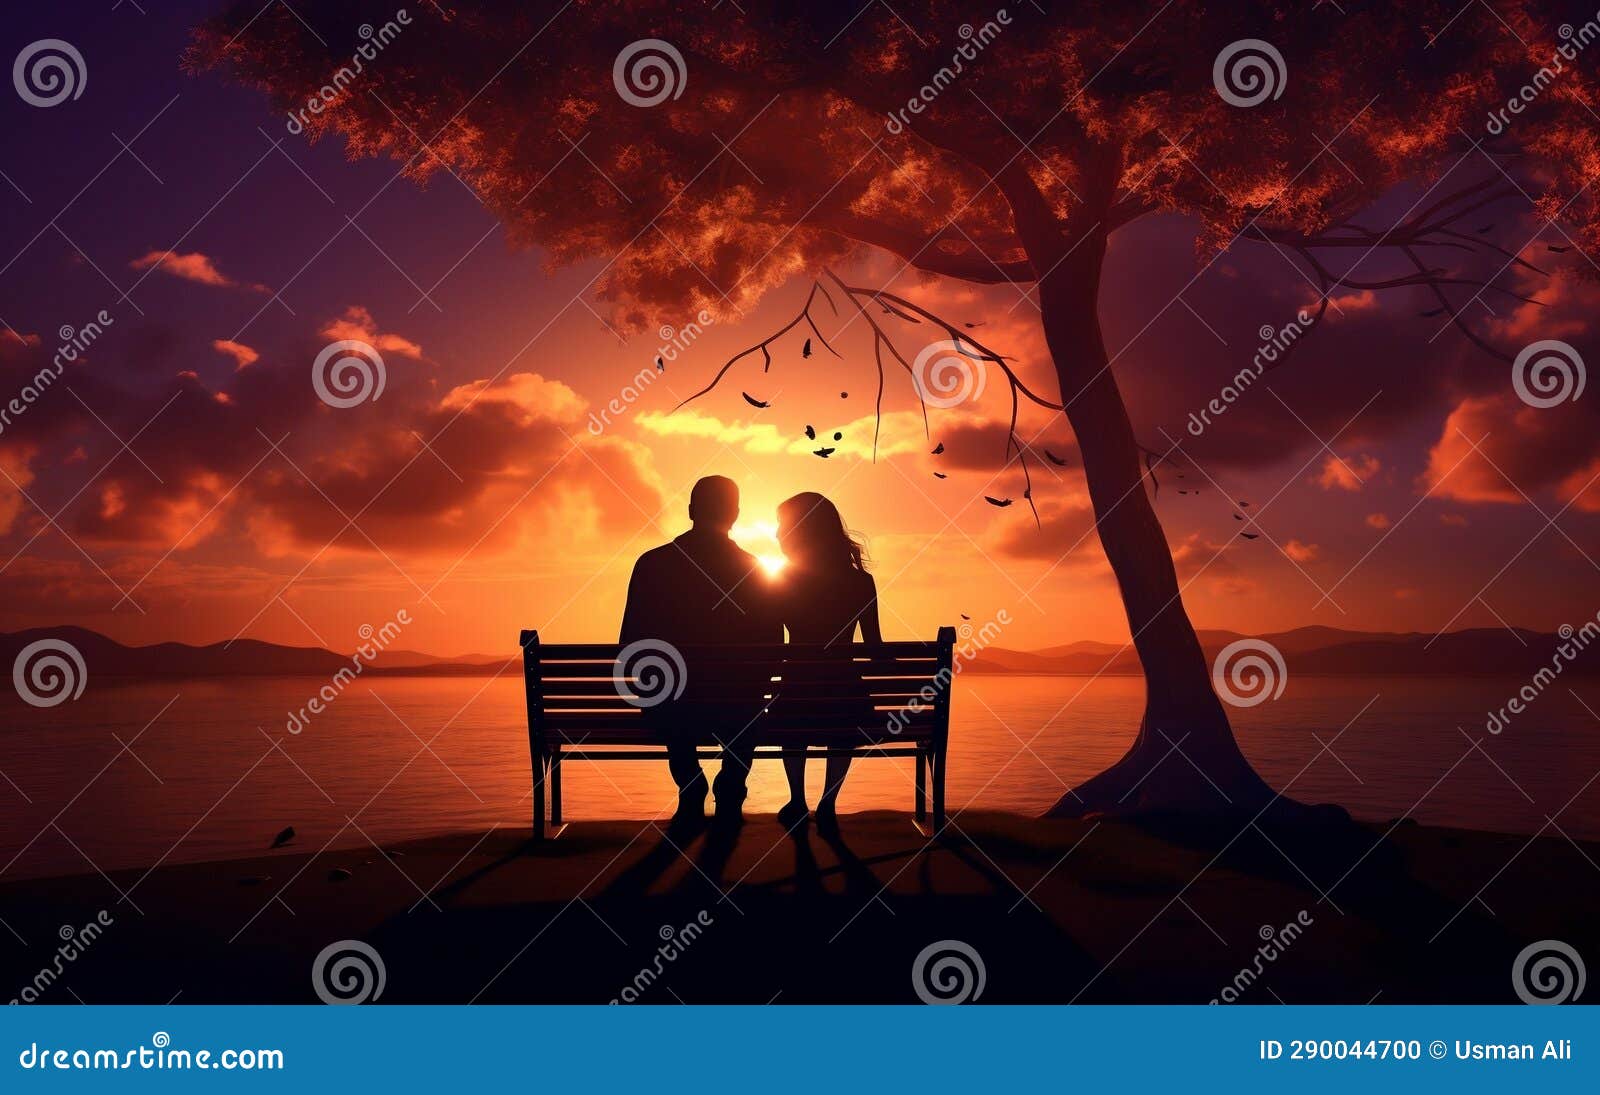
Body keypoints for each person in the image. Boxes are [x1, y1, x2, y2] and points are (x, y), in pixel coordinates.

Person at [620, 476, 778, 829]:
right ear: (734, 515)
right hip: (737, 706)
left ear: (691, 510)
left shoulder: (652, 564)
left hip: (674, 707)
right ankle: (732, 786)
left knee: (663, 690)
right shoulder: (756, 568)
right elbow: (772, 646)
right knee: (748, 702)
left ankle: (690, 785)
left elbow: (630, 643)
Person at [771, 492, 880, 832]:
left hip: (796, 692)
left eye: (781, 526)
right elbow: (874, 646)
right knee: (844, 725)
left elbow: (772, 644)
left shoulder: (784, 579)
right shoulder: (861, 582)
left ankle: (797, 800)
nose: (776, 534)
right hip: (844, 693)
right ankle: (828, 802)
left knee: (790, 721)